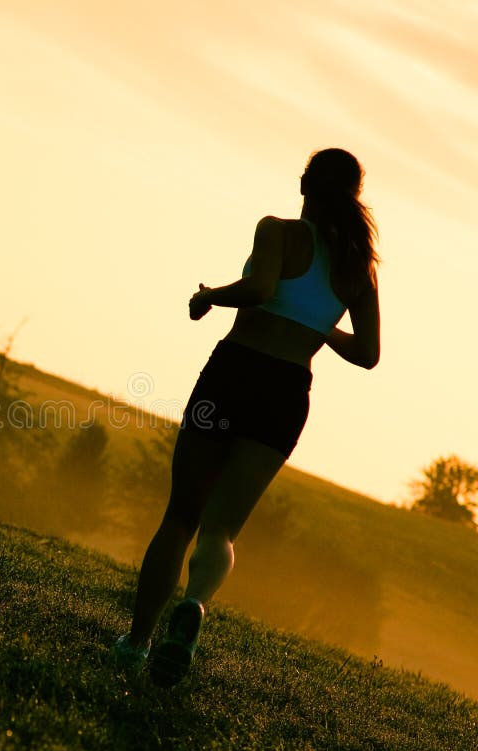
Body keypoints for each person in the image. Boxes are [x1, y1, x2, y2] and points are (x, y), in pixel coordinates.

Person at [111, 147, 381, 687]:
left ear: (304, 183)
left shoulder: (277, 230)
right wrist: (318, 326)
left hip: (234, 374)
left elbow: (260, 290)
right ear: (354, 195)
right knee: (223, 530)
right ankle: (193, 605)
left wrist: (210, 295)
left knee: (181, 515)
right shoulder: (358, 267)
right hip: (286, 393)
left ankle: (137, 644)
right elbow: (368, 353)